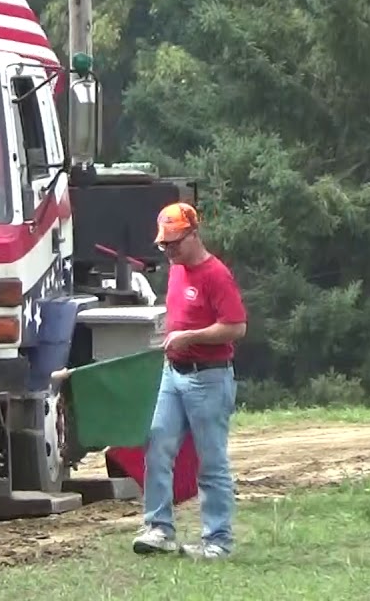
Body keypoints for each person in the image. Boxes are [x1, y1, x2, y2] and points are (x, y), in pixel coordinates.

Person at [132, 202, 247, 560]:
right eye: (164, 244)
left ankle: (218, 541)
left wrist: (189, 337)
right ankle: (158, 528)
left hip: (208, 378)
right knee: (158, 445)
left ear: (194, 235)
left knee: (210, 460)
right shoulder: (176, 269)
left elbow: (236, 326)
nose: (168, 251)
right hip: (173, 372)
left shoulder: (216, 275)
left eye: (174, 243)